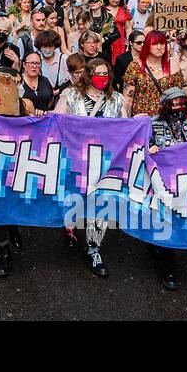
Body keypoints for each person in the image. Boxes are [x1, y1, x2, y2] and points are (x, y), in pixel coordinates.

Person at [54, 57, 123, 276]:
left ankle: (94, 248)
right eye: (98, 73)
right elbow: (56, 120)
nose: (102, 78)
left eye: (106, 74)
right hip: (76, 159)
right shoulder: (71, 95)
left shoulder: (118, 100)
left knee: (100, 205)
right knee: (74, 199)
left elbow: (125, 127)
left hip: (105, 162)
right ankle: (70, 224)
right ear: (88, 75)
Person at [147, 88, 187, 290]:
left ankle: (160, 246)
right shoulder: (153, 123)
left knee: (180, 217)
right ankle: (168, 268)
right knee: (165, 218)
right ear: (165, 105)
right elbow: (145, 147)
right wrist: (151, 148)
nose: (178, 108)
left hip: (186, 180)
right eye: (174, 104)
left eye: (182, 103)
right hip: (163, 180)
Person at [122, 31, 183, 118]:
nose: (159, 47)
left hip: (167, 119)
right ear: (147, 46)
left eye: (162, 43)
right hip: (142, 119)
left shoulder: (173, 65)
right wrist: (129, 121)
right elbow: (128, 99)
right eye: (154, 44)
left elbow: (178, 96)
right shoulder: (135, 66)